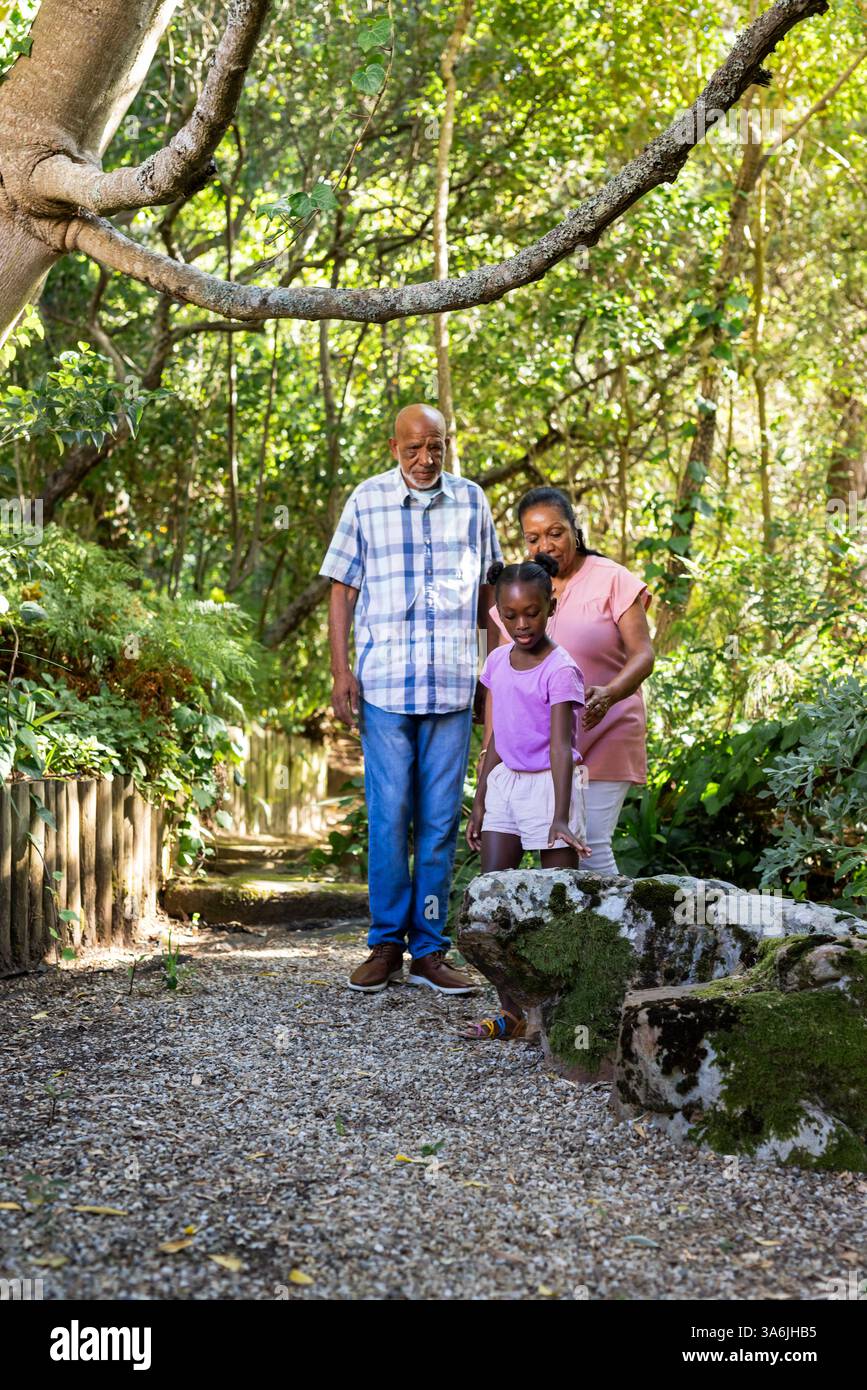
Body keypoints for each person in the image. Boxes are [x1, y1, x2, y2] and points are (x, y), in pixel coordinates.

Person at [319, 403, 502, 994]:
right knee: (391, 817)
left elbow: (487, 599)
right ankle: (384, 946)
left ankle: (429, 950)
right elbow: (342, 593)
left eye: (436, 447)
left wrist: (489, 673)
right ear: (393, 448)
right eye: (414, 448)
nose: (426, 459)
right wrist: (341, 672)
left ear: (447, 446)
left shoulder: (472, 501)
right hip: (386, 687)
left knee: (441, 823)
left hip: (451, 685)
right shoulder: (366, 501)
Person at [484, 487, 654, 875]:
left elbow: (643, 655)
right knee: (544, 846)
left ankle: (613, 931)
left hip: (605, 728)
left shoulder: (613, 579)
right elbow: (500, 683)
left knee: (588, 840)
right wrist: (489, 757)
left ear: (575, 530)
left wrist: (610, 694)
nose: (546, 545)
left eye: (556, 533)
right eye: (533, 538)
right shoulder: (518, 590)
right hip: (539, 747)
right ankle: (568, 930)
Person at [463, 553, 590, 1039]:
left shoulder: (561, 669)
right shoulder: (496, 661)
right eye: (510, 615)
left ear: (550, 605)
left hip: (551, 786)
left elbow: (562, 746)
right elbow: (497, 738)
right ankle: (513, 1012)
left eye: (532, 613)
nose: (521, 624)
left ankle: (560, 1014)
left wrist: (560, 817)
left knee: (557, 907)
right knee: (493, 899)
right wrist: (480, 803)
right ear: (498, 612)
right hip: (506, 784)